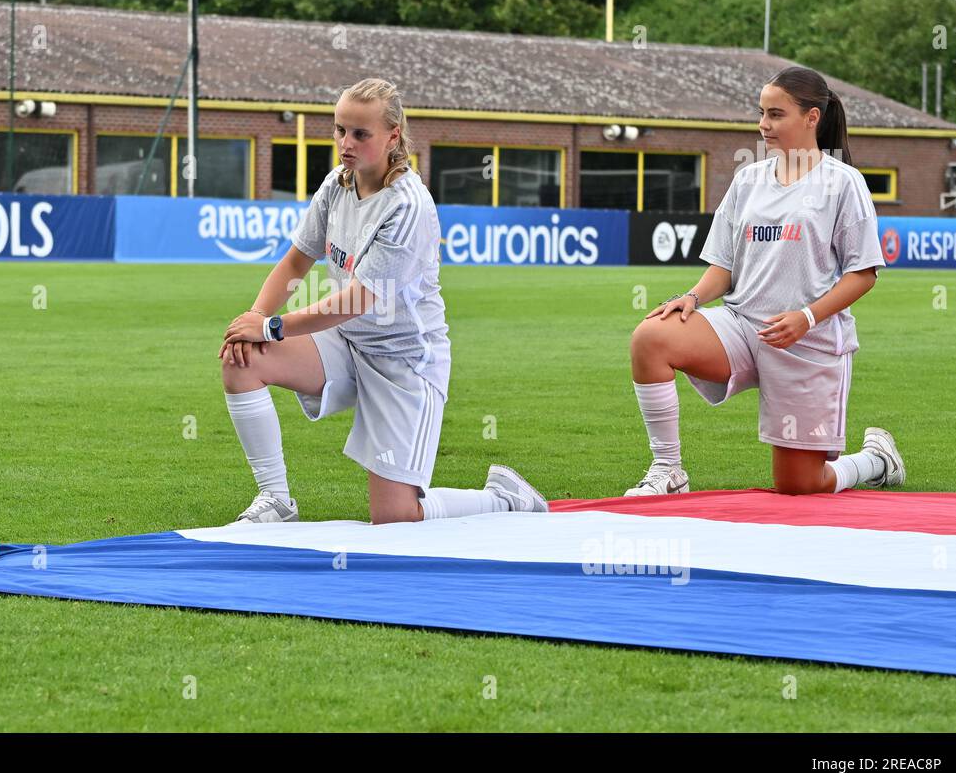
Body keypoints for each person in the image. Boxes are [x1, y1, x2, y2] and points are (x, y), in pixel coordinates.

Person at [219, 77, 547, 523]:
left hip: (404, 363)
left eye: (360, 134)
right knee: (243, 358)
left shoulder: (408, 205)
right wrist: (257, 315)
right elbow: (296, 263)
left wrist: (273, 327)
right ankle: (276, 500)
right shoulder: (337, 185)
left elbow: (358, 300)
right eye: (339, 130)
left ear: (393, 136)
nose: (345, 144)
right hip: (347, 344)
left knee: (395, 519)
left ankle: (504, 499)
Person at [625, 66, 904, 497]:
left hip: (807, 343)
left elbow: (863, 273)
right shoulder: (748, 179)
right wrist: (693, 297)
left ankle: (875, 460)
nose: (763, 124)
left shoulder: (843, 183)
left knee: (799, 486)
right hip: (740, 327)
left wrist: (806, 318)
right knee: (651, 337)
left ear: (812, 118)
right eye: (761, 113)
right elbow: (724, 264)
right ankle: (668, 470)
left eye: (775, 114)